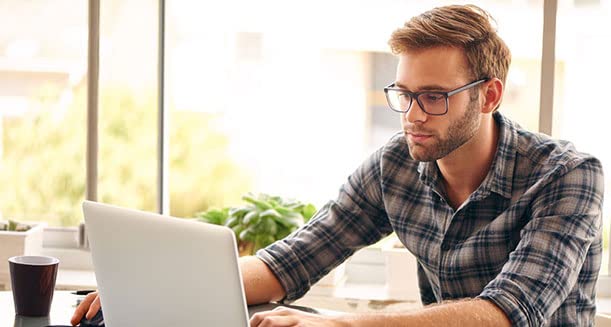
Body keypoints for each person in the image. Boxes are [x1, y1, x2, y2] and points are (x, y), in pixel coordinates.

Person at [71, 4, 604, 326]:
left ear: (489, 95)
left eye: (436, 96)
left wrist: (344, 323)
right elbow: (291, 262)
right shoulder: (396, 166)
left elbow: (506, 314)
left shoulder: (568, 176)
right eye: (404, 93)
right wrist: (152, 287)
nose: (413, 116)